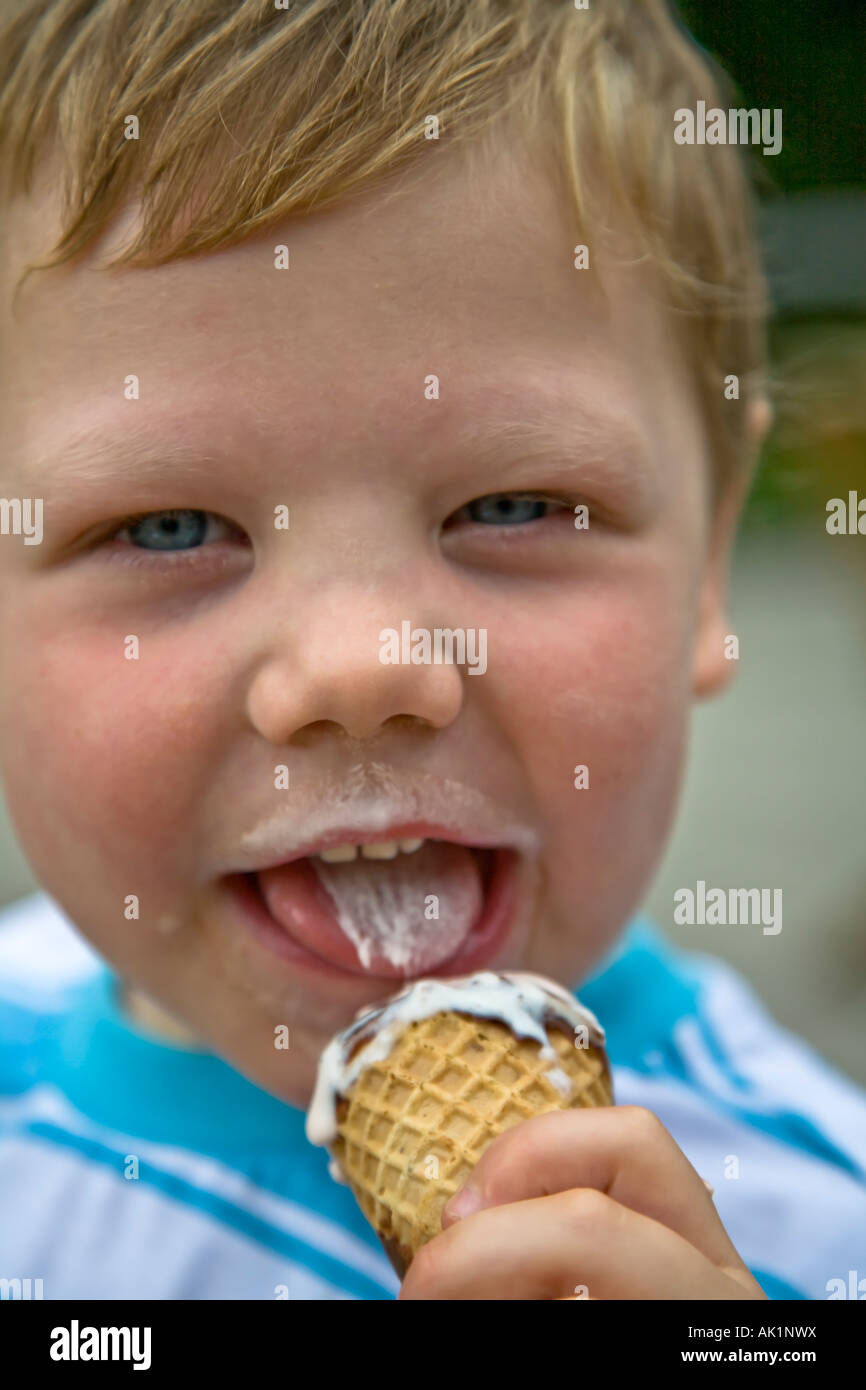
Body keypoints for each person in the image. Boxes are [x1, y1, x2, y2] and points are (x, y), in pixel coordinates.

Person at [0, 0, 863, 1301]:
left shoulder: (809, 1236)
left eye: (513, 507)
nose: (368, 664)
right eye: (168, 525)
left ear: (705, 562)